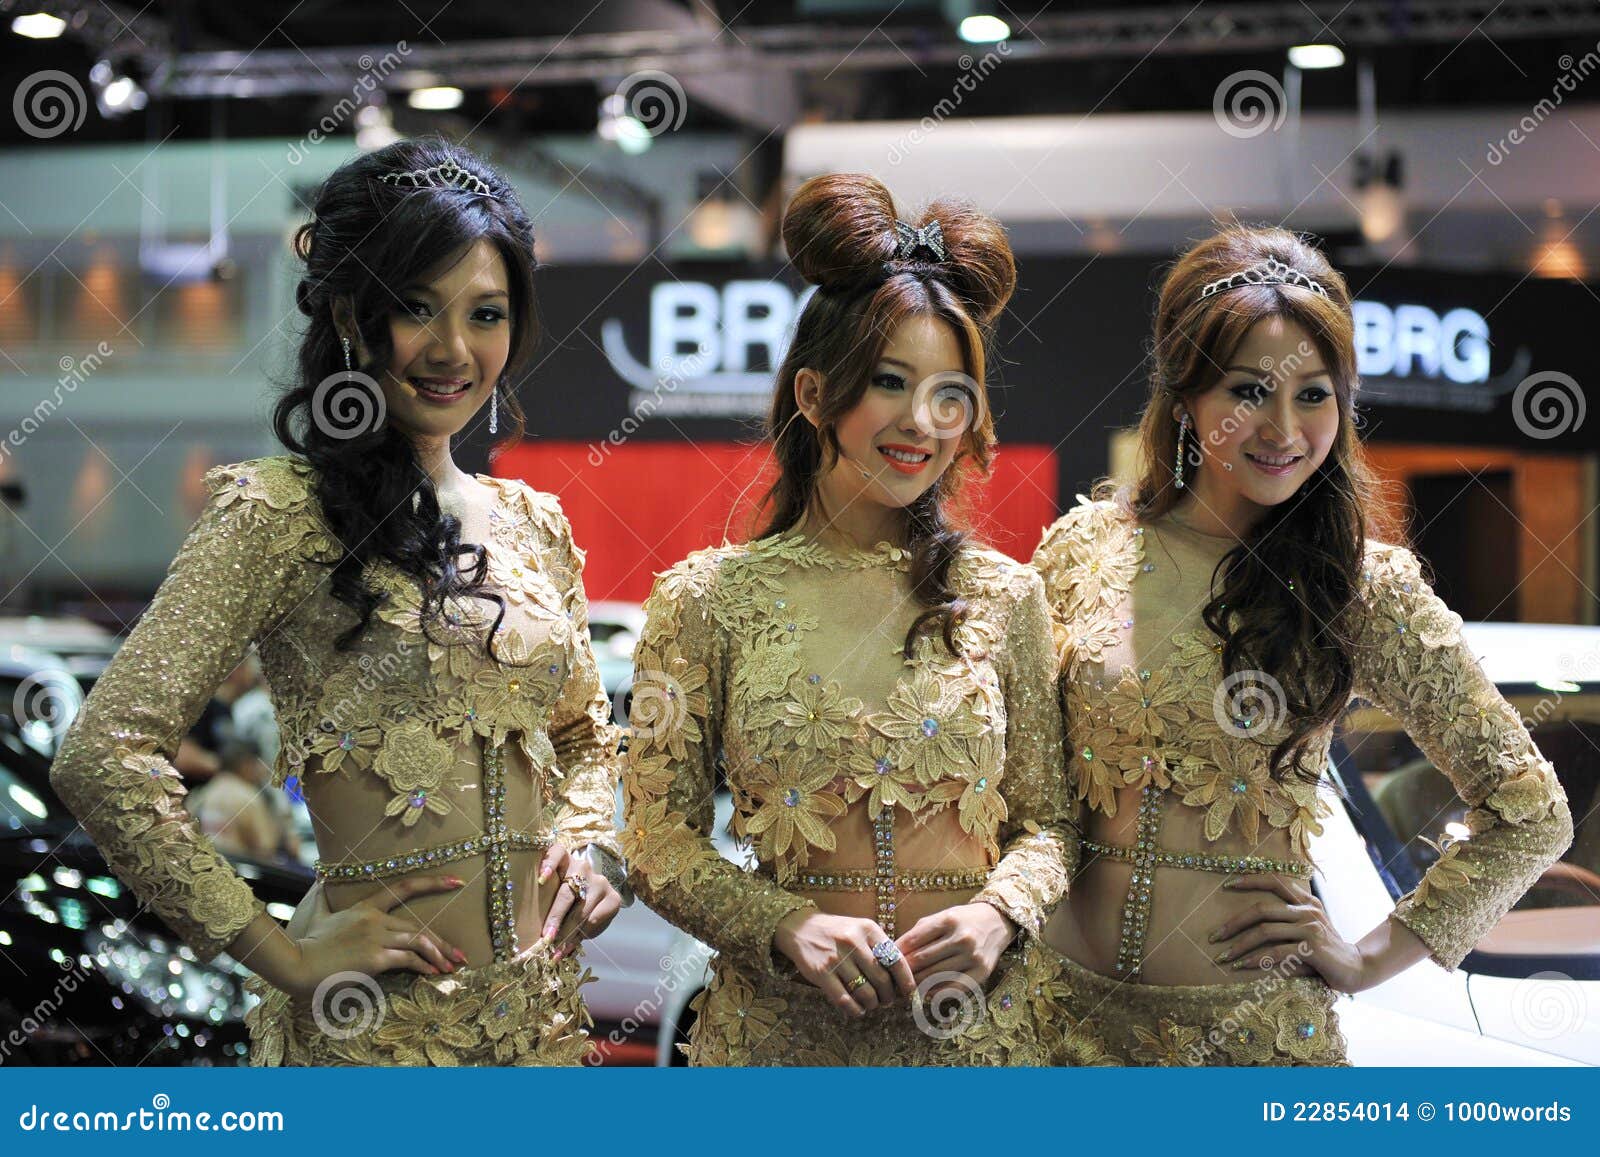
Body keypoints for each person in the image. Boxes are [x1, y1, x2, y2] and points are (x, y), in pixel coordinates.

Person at [51, 137, 627, 1066]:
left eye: (486, 314)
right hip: (375, 1035)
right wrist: (274, 948)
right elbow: (104, 752)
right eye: (415, 309)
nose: (452, 350)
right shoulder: (276, 513)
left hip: (543, 1027)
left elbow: (584, 736)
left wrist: (591, 848)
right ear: (356, 317)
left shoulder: (535, 523)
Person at [1030, 225, 1573, 1066]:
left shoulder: (1360, 585)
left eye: (1314, 394)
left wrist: (1367, 958)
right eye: (1249, 391)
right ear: (1186, 395)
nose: (1283, 428)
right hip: (1055, 1032)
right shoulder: (1081, 551)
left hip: (1247, 1044)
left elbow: (1529, 809)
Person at [621, 173, 1073, 1065]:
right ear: (814, 393)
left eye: (951, 393)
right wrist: (783, 921)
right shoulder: (707, 600)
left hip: (972, 1044)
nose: (921, 421)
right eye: (888, 382)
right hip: (780, 1042)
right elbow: (653, 837)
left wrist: (999, 913)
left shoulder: (1007, 596)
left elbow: (1051, 822)